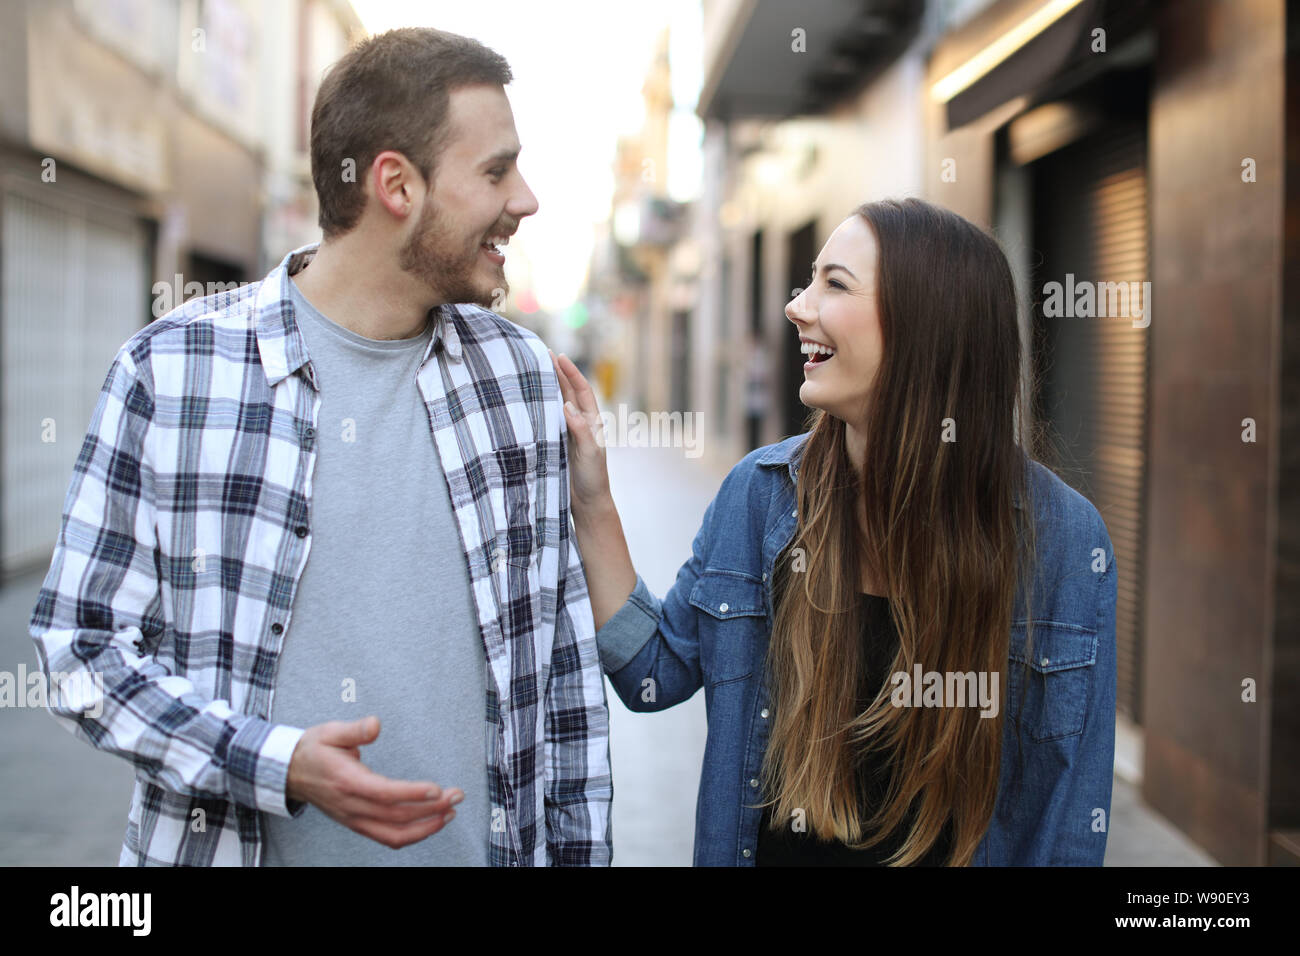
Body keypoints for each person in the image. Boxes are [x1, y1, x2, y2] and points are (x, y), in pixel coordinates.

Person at [28, 27, 612, 867]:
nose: (525, 199)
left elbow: (562, 681)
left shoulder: (519, 379)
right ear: (396, 185)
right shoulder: (172, 372)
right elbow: (80, 652)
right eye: (495, 170)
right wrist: (274, 763)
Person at [552, 197, 1117, 866]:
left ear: (924, 328)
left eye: (834, 283)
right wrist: (591, 501)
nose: (797, 305)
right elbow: (654, 673)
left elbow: (1071, 830)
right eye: (809, 278)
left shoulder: (1064, 543)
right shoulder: (760, 498)